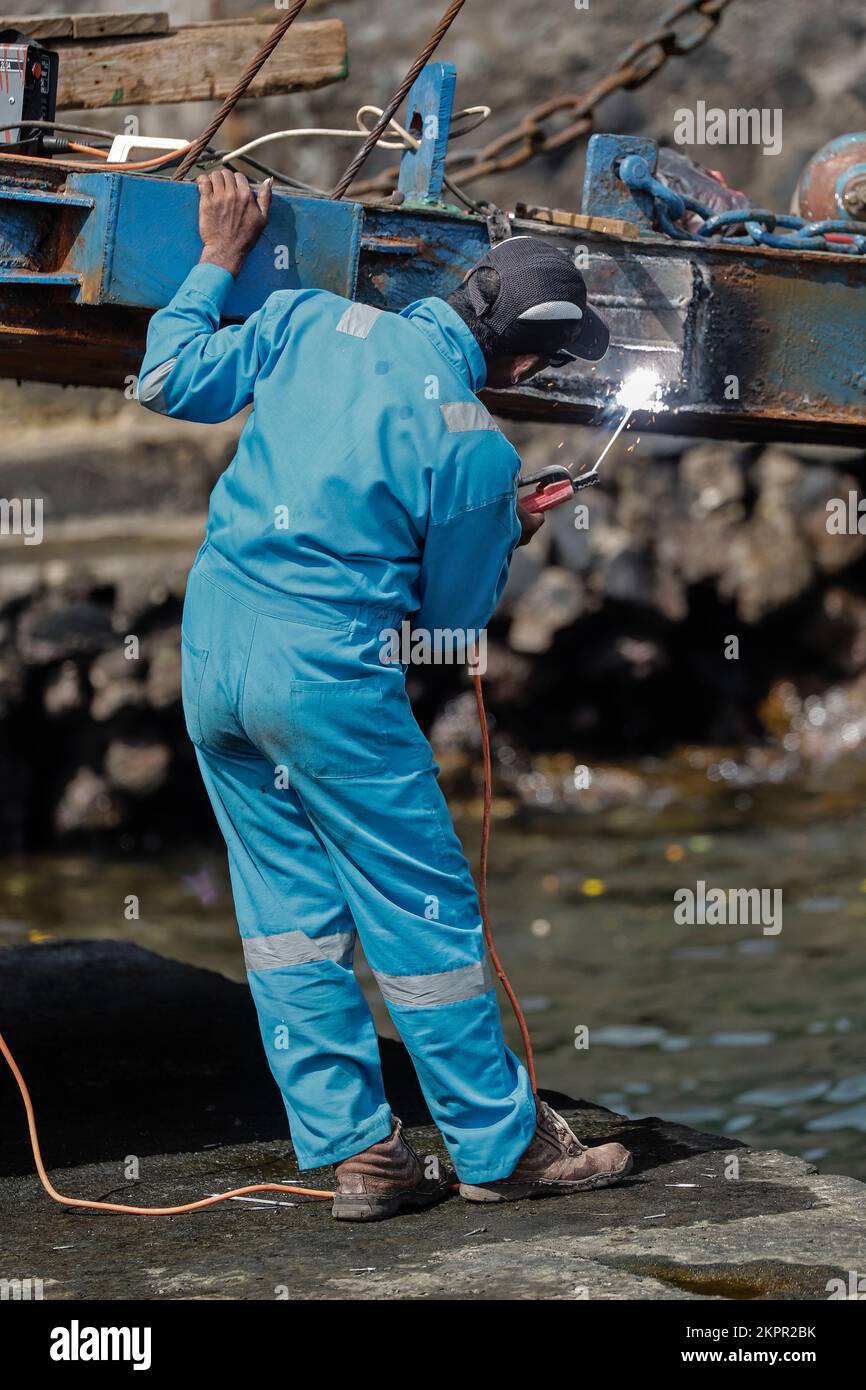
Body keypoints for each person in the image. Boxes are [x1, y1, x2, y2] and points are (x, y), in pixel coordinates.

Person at [137, 169, 632, 1220]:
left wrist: (217, 257)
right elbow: (443, 625)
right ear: (528, 354)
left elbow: (167, 378)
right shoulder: (470, 443)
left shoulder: (311, 318)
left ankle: (362, 1154)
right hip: (322, 677)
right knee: (418, 909)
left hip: (215, 653)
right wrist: (506, 525)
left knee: (285, 916)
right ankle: (500, 1150)